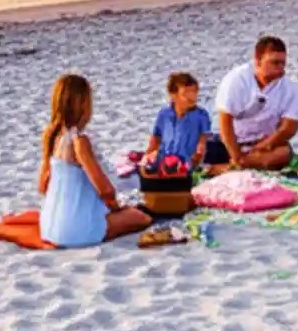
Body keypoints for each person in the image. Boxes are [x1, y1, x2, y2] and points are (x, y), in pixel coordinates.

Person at [38, 74, 152, 247]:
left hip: (48, 227)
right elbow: (105, 190)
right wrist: (117, 208)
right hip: (77, 230)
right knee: (141, 218)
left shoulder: (52, 137)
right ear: (84, 105)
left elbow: (43, 187)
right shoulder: (79, 141)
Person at [206, 35, 298, 171]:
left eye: (283, 63)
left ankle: (234, 166)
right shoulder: (236, 80)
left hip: (264, 145)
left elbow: (289, 127)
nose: (280, 68)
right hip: (229, 143)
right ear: (258, 61)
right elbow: (225, 123)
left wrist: (266, 144)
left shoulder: (292, 89)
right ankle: (235, 164)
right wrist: (236, 156)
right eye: (275, 63)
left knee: (283, 153)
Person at [144, 72, 211, 169]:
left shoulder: (201, 116)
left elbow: (202, 145)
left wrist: (193, 164)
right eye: (186, 93)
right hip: (163, 163)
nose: (192, 97)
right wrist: (146, 159)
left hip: (186, 165)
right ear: (173, 95)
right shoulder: (164, 115)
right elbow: (155, 140)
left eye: (194, 92)